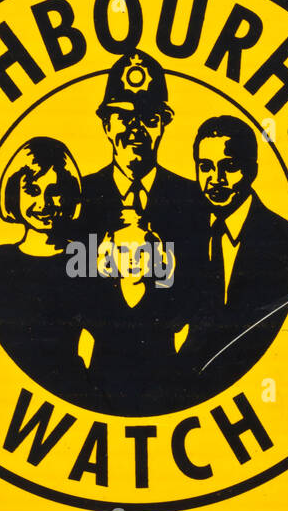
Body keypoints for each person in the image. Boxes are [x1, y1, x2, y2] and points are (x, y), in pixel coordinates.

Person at [77, 50, 208, 415]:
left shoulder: (193, 201)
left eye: (148, 118)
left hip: (173, 381)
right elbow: (72, 294)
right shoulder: (78, 199)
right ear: (106, 124)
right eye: (123, 117)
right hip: (96, 382)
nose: (135, 129)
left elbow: (199, 293)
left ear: (163, 124)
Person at [188, 114, 288, 392]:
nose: (216, 179)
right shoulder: (186, 234)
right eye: (205, 167)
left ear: (252, 170)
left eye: (228, 166)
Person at [0, 137, 94, 401]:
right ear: (13, 193)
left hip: (70, 390)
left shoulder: (85, 257)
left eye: (55, 191)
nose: (44, 203)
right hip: (3, 390)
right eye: (32, 190)